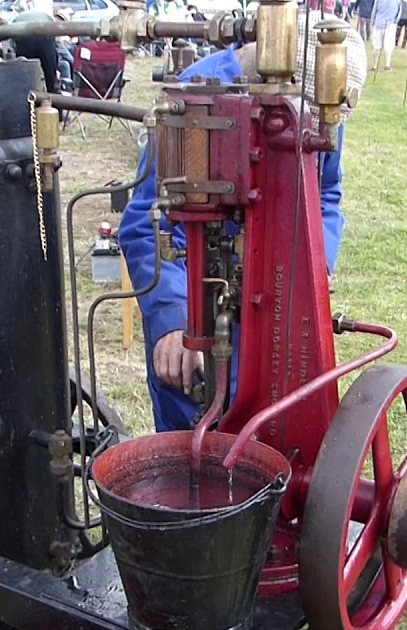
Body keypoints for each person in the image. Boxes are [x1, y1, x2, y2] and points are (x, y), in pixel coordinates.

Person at [117, 14, 367, 433]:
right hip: (197, 305)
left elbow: (326, 194)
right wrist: (172, 318)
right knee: (193, 431)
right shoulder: (196, 97)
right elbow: (146, 221)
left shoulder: (321, 105)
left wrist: (314, 268)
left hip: (276, 302)